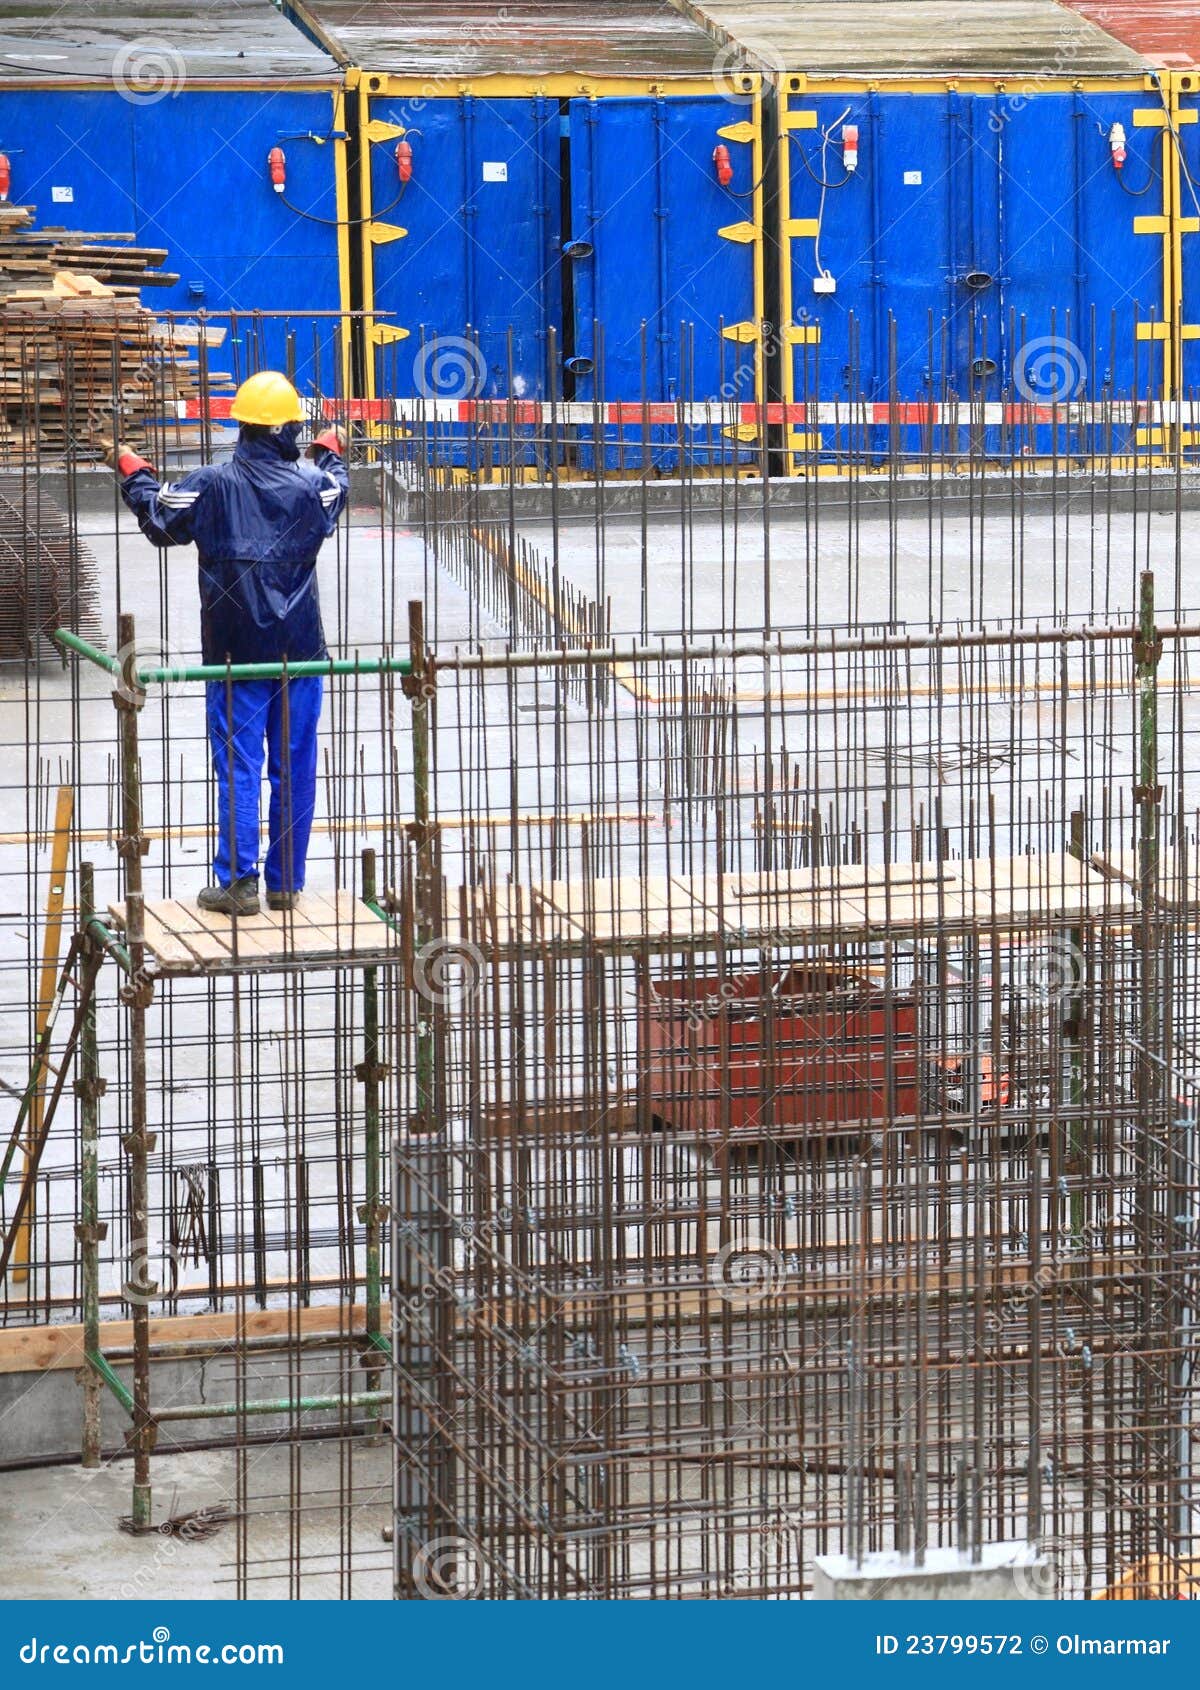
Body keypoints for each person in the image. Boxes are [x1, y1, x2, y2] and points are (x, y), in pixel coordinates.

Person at [103, 371, 348, 916]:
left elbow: (160, 517)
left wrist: (131, 468)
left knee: (240, 764)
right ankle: (286, 883)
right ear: (286, 428)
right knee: (295, 764)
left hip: (235, 657)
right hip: (300, 653)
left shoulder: (211, 484)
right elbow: (338, 486)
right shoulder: (312, 486)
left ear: (243, 425)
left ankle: (239, 884)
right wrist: (330, 449)